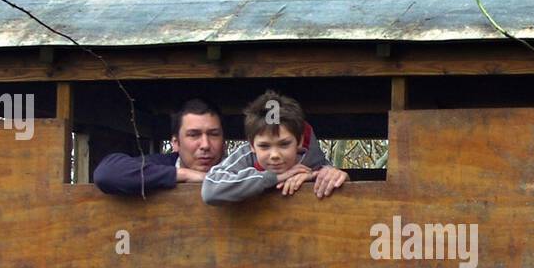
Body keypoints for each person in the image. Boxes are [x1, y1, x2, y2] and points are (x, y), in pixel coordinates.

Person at [201, 91, 349, 205]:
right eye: (264, 146)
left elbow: (333, 177)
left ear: (299, 141)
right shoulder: (246, 155)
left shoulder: (312, 159)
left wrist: (327, 177)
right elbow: (210, 189)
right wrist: (275, 178)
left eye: (284, 144)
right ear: (252, 145)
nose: (275, 155)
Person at [93, 98, 227, 195]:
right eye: (194, 135)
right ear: (175, 143)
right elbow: (106, 173)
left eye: (214, 134)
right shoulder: (163, 165)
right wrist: (186, 175)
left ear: (224, 142)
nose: (205, 145)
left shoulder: (238, 169)